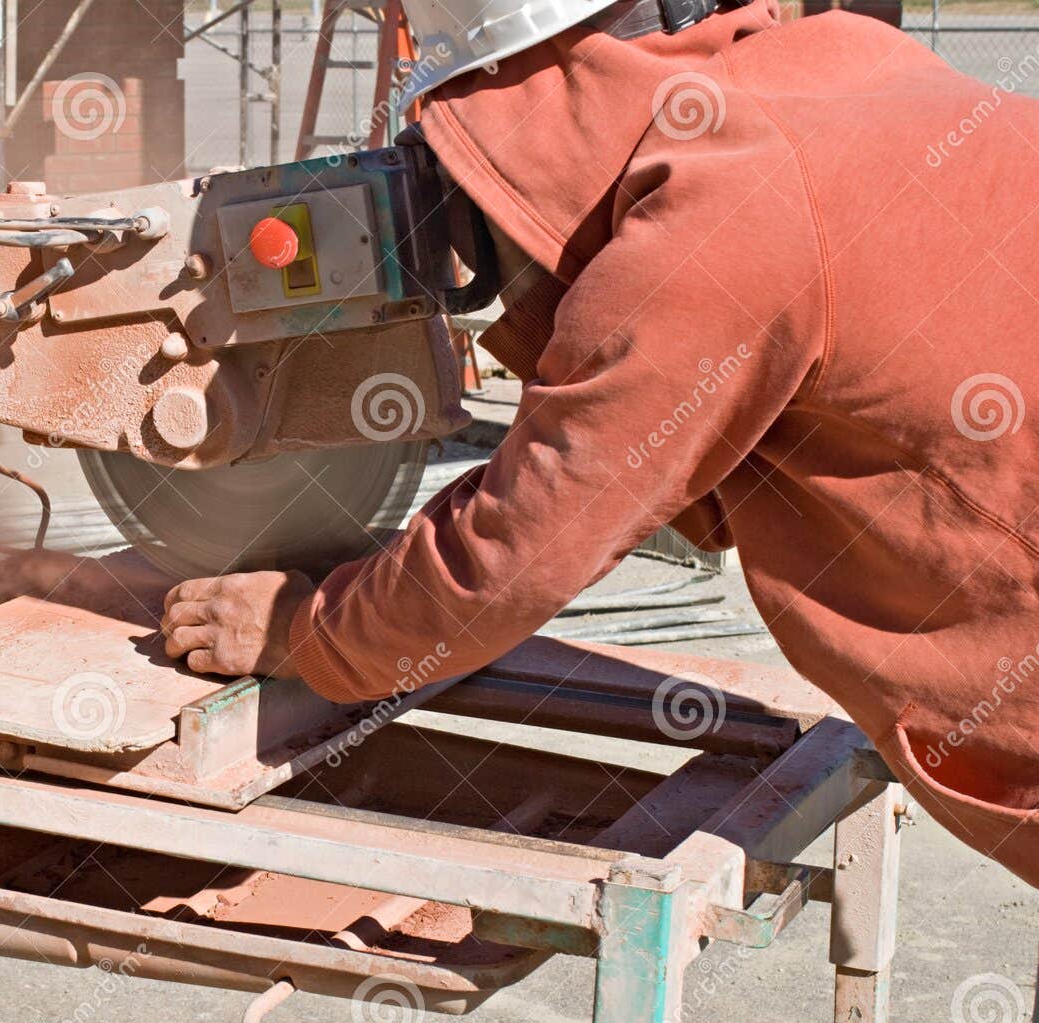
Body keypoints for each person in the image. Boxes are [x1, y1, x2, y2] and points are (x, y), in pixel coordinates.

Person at [160, 0, 1039, 888]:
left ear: (516, 113)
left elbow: (524, 541)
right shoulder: (853, 60)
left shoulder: (725, 208)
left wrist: (310, 631)